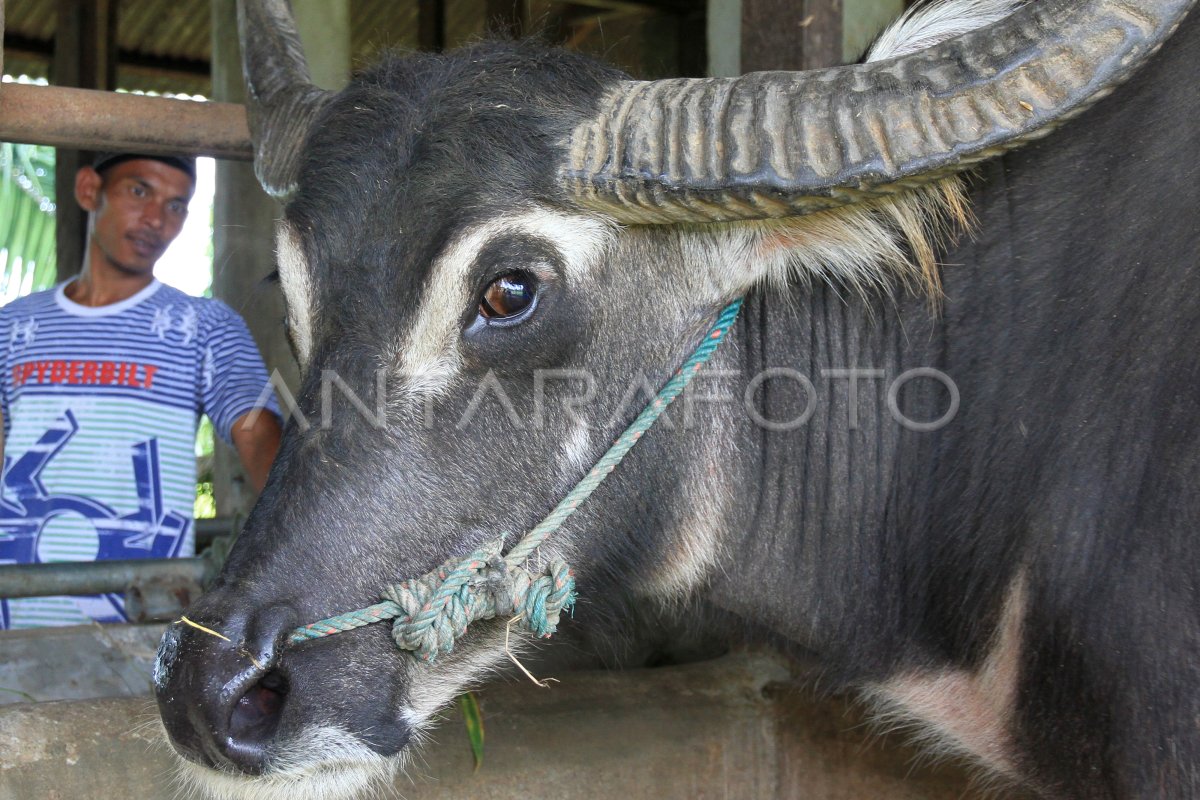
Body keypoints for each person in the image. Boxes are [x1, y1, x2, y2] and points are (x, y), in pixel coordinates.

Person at [0, 152, 282, 628]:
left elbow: (258, 434)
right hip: (15, 613)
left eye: (176, 205)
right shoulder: (14, 326)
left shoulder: (205, 327)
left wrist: (317, 550)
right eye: (139, 191)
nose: (156, 219)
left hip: (144, 617)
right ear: (89, 189)